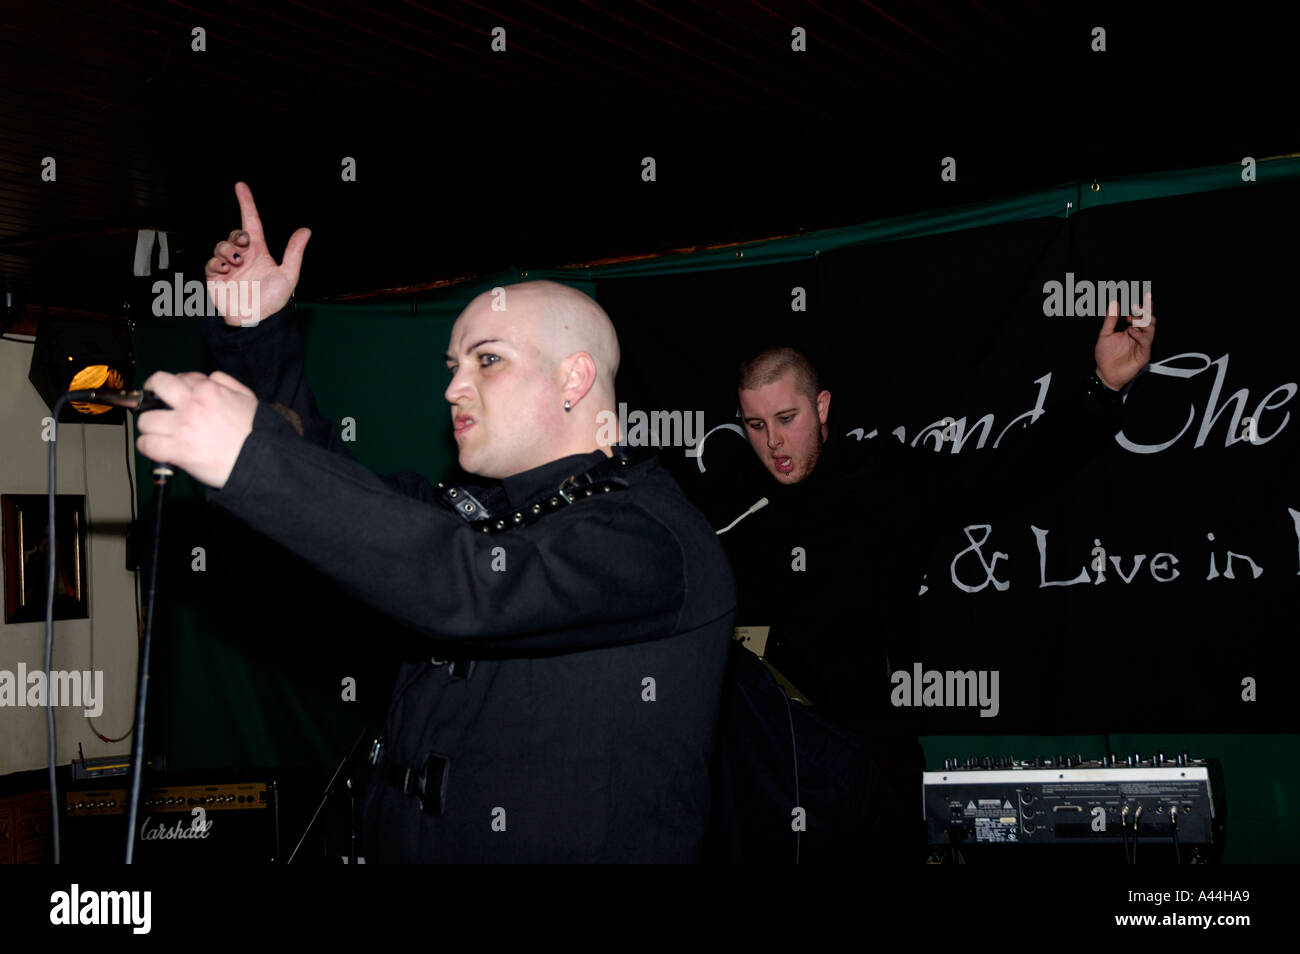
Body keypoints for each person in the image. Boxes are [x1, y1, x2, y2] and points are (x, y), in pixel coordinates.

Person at [135, 183, 736, 862]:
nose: (452, 387)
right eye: (453, 366)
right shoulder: (480, 511)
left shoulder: (651, 535)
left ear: (574, 380)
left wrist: (254, 460)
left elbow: (473, 586)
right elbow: (346, 497)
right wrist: (259, 334)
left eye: (487, 360)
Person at [701, 310, 1155, 863]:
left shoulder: (884, 480)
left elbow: (1011, 473)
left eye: (787, 417)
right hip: (762, 765)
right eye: (755, 425)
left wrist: (1103, 389)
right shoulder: (729, 503)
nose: (773, 441)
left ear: (821, 407)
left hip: (868, 755)